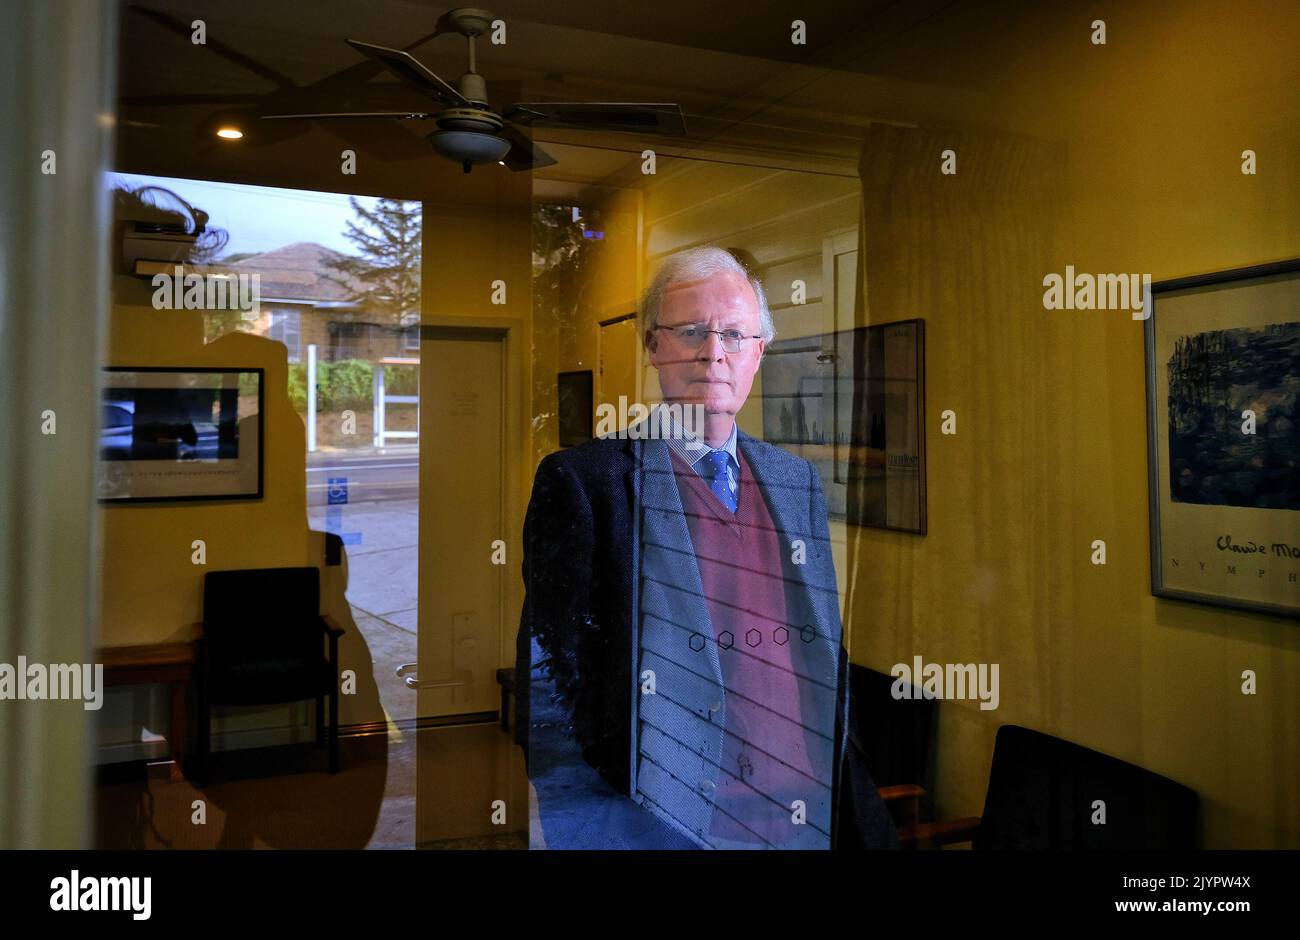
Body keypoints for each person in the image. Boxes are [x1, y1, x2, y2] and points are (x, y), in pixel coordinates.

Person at [516, 246, 898, 849]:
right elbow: (548, 686)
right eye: (691, 331)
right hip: (670, 828)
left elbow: (823, 652)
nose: (714, 353)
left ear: (758, 353)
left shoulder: (795, 482)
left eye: (735, 335)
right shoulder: (587, 484)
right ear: (654, 346)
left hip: (807, 817)